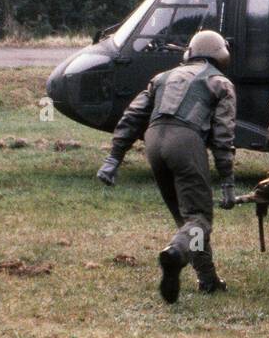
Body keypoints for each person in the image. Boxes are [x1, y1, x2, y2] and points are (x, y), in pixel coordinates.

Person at [97, 30, 236, 303]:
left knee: (189, 221)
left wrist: (114, 158)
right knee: (198, 219)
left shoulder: (162, 78)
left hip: (153, 140)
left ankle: (207, 278)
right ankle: (175, 254)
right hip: (185, 141)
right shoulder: (220, 83)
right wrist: (228, 180)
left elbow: (132, 115)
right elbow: (223, 136)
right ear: (221, 53)